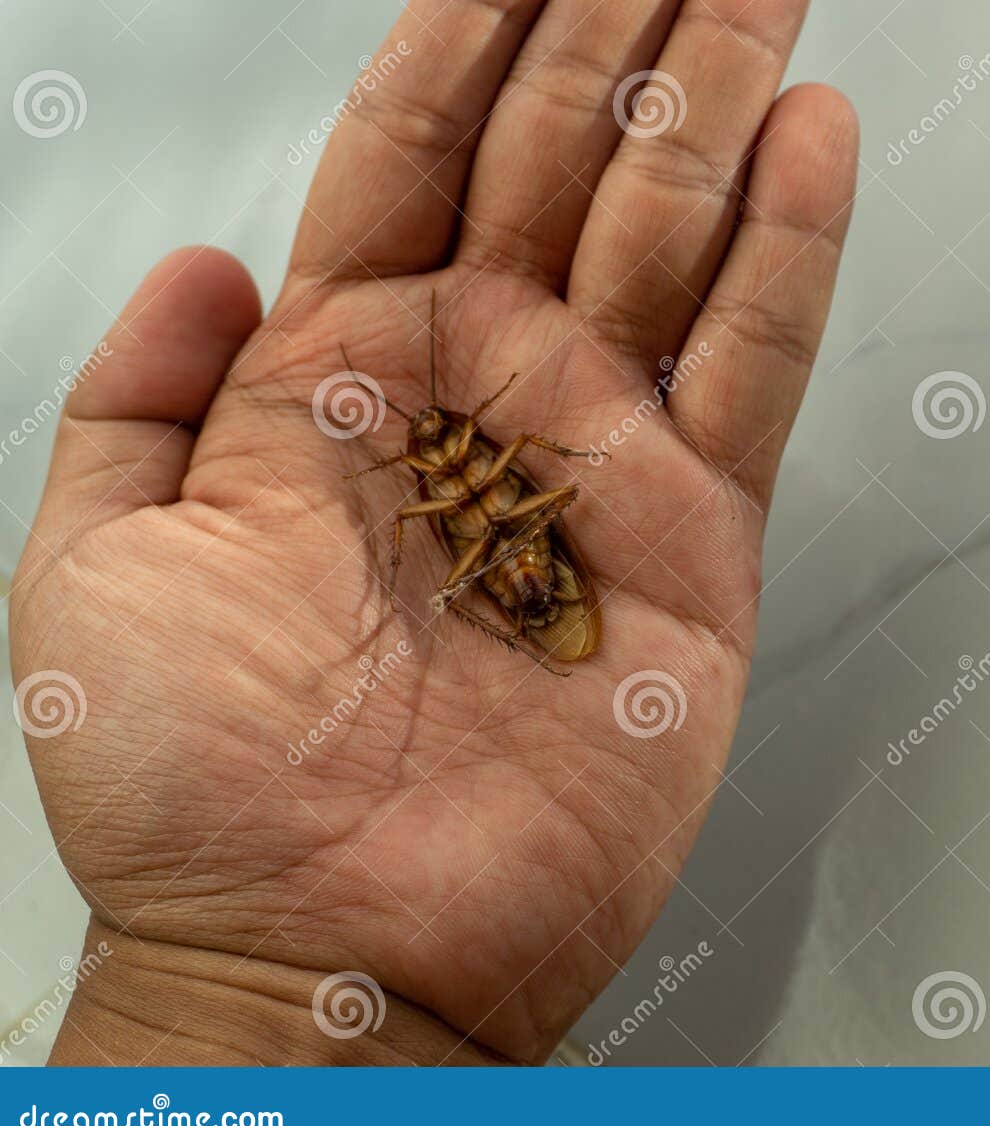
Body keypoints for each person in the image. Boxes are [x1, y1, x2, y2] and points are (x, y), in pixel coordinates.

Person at [11, 0, 857, 1065]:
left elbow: (513, 463)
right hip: (509, 550)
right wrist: (225, 963)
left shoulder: (467, 464)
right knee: (503, 549)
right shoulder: (449, 476)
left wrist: (215, 979)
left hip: (509, 548)